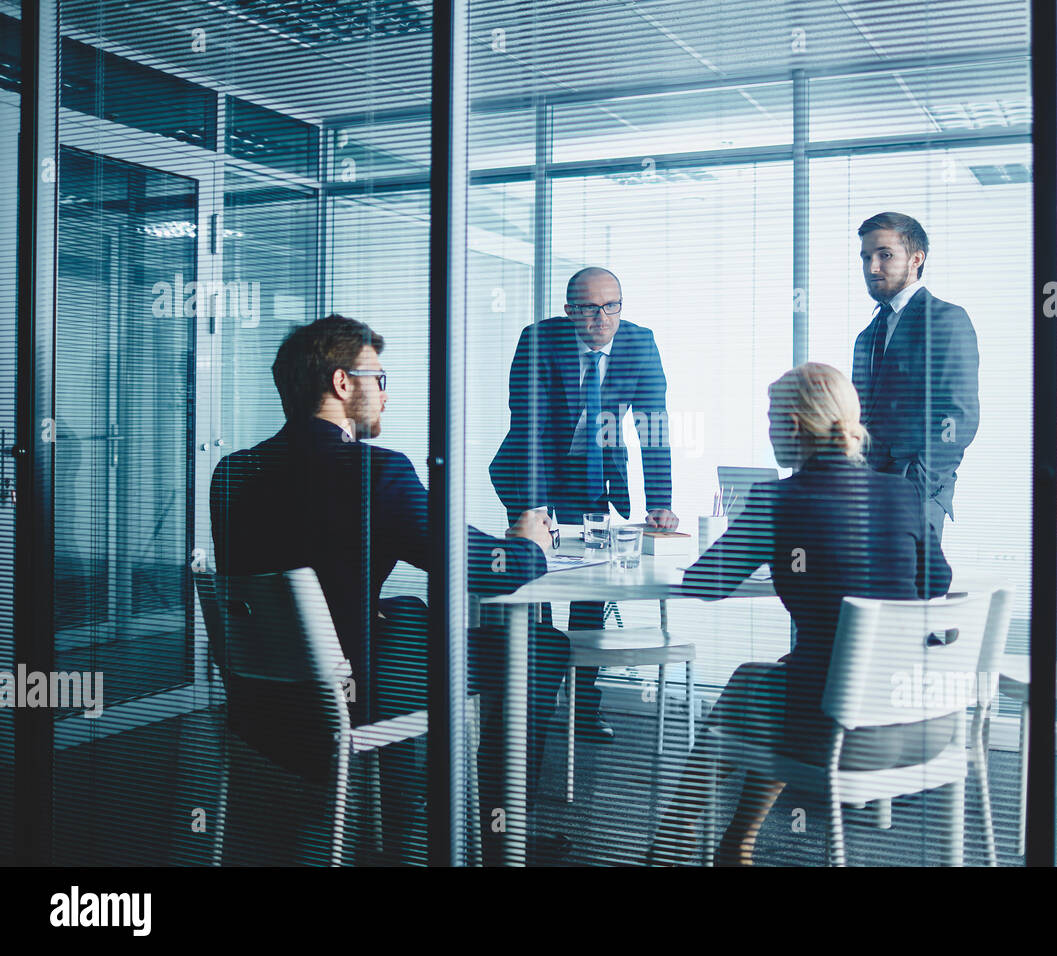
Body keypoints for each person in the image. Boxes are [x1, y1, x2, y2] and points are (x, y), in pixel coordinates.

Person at [210, 314, 568, 862]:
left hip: (263, 703)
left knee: (406, 615)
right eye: (379, 378)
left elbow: (296, 575)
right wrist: (529, 543)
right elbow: (488, 567)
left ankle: (400, 808)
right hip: (345, 702)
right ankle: (500, 834)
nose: (386, 394)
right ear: (342, 383)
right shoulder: (374, 472)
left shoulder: (234, 471)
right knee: (542, 648)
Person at [649, 363, 952, 865]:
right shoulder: (903, 492)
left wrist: (776, 552)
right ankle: (735, 845)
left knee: (759, 685)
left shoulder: (778, 499)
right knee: (785, 678)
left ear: (791, 427)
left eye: (771, 419)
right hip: (926, 722)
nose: (767, 430)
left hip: (842, 736)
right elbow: (935, 584)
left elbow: (706, 582)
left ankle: (676, 834)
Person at [490, 267, 679, 741]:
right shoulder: (538, 340)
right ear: (569, 310)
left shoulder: (639, 343)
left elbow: (652, 424)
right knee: (537, 584)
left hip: (594, 476)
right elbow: (529, 428)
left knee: (591, 587)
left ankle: (582, 707)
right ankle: (536, 702)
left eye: (611, 305)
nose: (602, 318)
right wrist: (533, 509)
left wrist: (660, 501)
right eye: (589, 308)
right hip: (532, 471)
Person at [851, 212, 979, 542]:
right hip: (866, 497)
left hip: (917, 498)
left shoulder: (945, 320)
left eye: (885, 255)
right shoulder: (868, 336)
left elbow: (957, 417)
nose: (872, 267)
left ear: (916, 259)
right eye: (866, 257)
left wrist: (918, 485)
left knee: (909, 593)